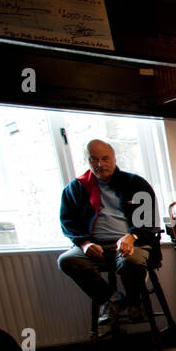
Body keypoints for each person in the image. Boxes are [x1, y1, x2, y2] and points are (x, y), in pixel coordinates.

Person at [57, 140, 161, 328]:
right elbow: (68, 222)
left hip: (133, 242)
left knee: (133, 261)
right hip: (95, 244)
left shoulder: (135, 184)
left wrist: (131, 236)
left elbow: (150, 221)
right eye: (94, 159)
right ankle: (112, 299)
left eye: (105, 159)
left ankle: (134, 302)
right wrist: (85, 244)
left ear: (114, 159)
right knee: (67, 260)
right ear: (87, 160)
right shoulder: (76, 188)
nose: (100, 164)